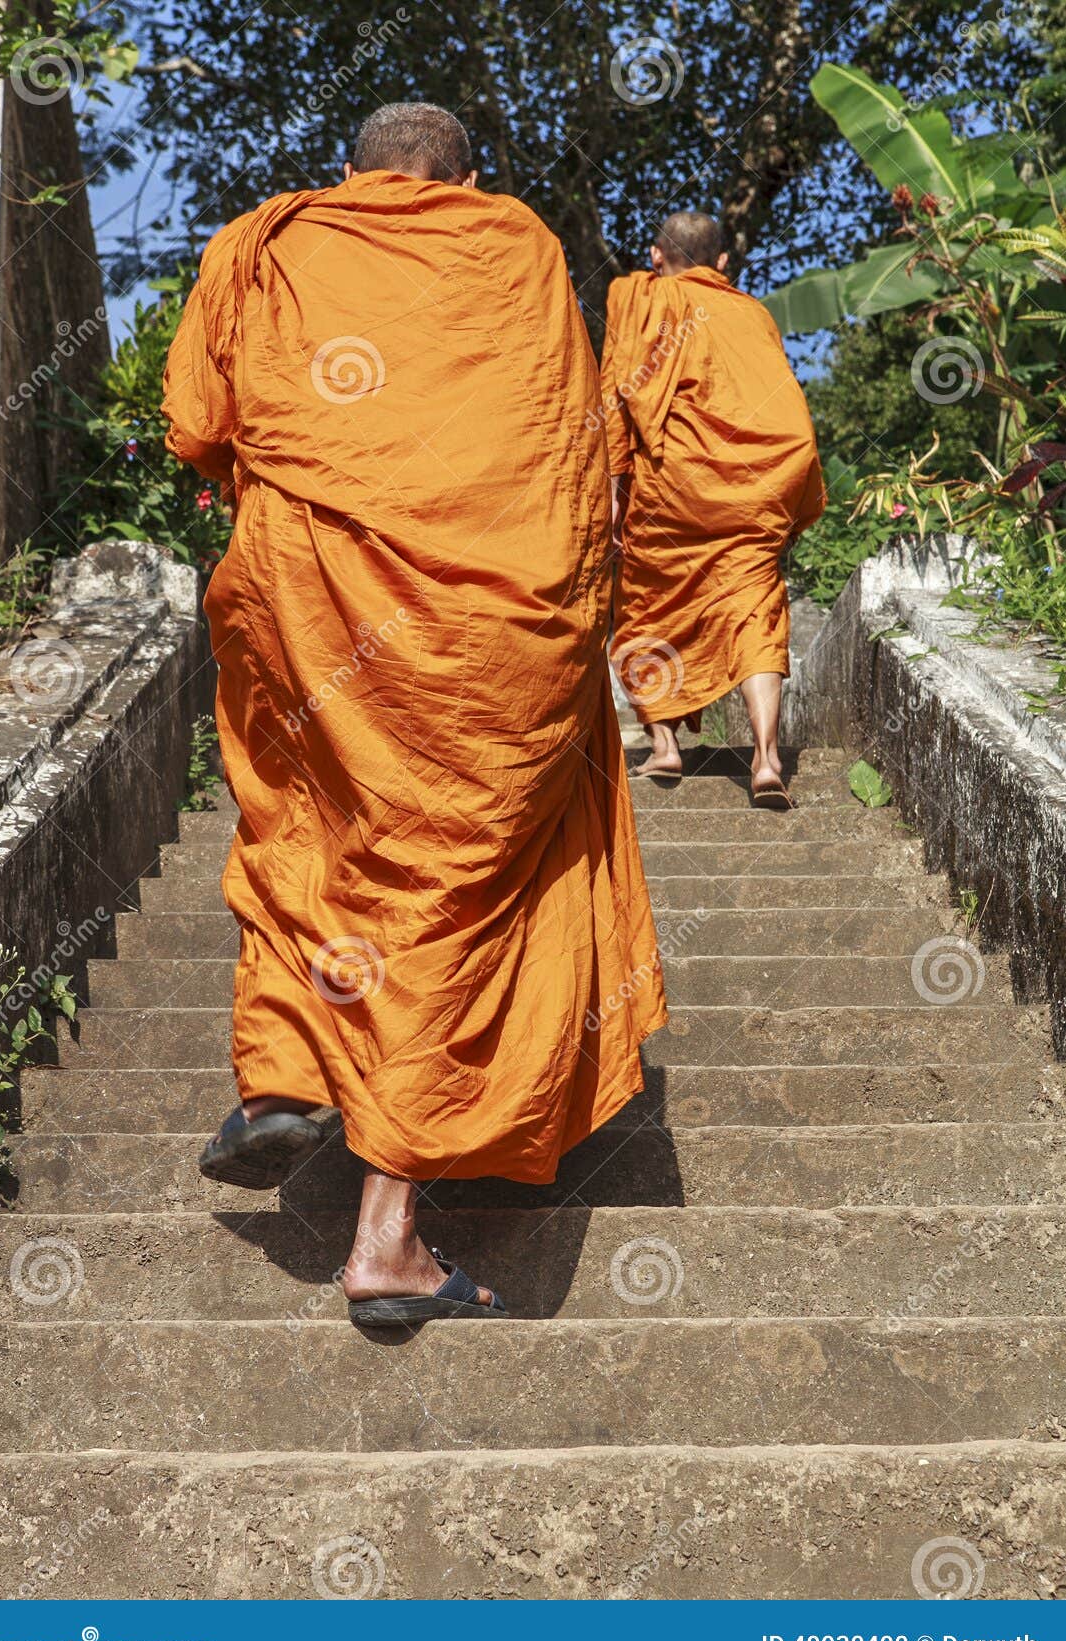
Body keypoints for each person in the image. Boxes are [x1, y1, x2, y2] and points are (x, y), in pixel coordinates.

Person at [162, 102, 667, 1325]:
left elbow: (194, 424)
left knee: (309, 818)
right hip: (498, 632)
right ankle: (386, 1236)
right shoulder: (521, 243)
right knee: (464, 874)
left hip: (309, 585)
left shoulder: (269, 241)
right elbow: (571, 446)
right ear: (470, 177)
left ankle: (285, 1068)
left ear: (346, 173)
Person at [600, 209, 825, 802]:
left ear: (656, 256)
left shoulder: (635, 298)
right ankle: (767, 759)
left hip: (670, 489)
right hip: (757, 482)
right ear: (723, 263)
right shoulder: (752, 312)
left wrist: (613, 491)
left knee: (647, 608)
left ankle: (666, 747)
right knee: (754, 607)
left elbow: (617, 400)